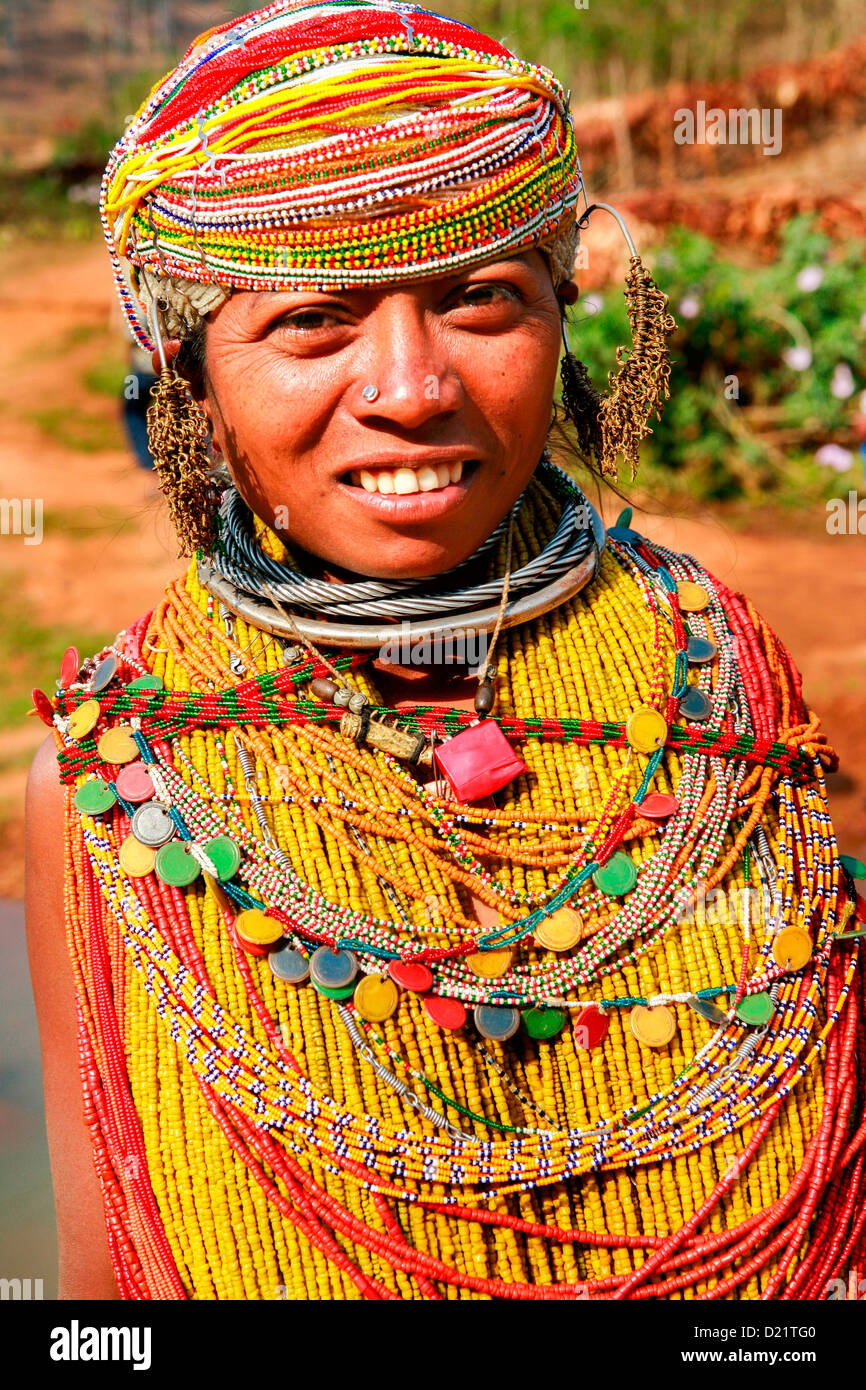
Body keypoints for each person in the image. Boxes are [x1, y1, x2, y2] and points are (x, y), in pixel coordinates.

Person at [25, 0, 865, 1302]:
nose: (412, 386)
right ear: (187, 374)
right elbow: (112, 1289)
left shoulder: (727, 693)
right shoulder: (113, 781)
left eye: (480, 299)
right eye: (312, 320)